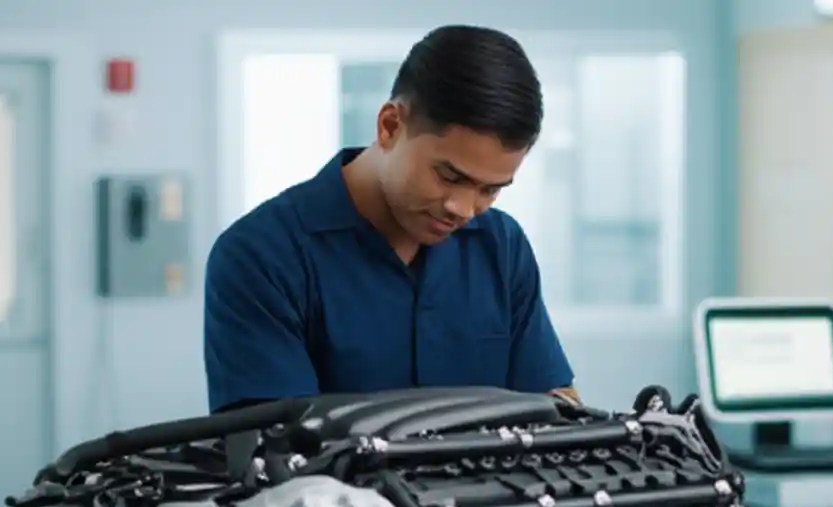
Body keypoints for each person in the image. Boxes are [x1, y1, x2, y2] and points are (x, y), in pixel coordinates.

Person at [203, 24, 578, 413]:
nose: (464, 209)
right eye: (449, 176)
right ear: (390, 126)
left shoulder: (502, 246)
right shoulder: (260, 256)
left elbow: (554, 406)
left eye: (490, 189)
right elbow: (274, 453)